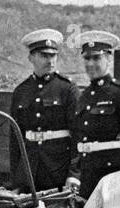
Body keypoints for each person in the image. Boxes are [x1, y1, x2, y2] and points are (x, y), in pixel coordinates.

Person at [67, 30, 120, 201]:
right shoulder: (85, 96)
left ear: (108, 59)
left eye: (96, 58)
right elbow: (79, 138)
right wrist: (75, 174)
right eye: (87, 58)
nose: (91, 63)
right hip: (89, 176)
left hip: (114, 176)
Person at [8, 29, 79, 191]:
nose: (50, 61)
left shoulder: (67, 89)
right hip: (30, 172)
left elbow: (78, 135)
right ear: (31, 58)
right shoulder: (21, 91)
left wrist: (74, 174)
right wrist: (17, 179)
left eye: (53, 55)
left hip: (58, 170)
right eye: (44, 56)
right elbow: (15, 140)